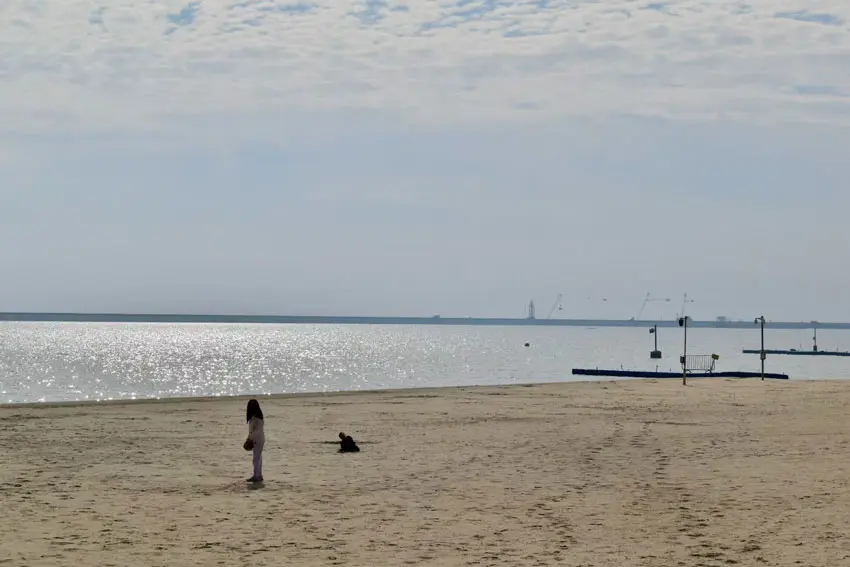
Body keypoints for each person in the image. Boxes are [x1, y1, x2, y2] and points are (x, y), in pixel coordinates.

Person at [245, 399, 265, 482]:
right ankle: (258, 475)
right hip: (260, 438)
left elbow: (255, 431)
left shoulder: (255, 418)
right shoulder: (259, 417)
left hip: (257, 439)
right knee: (258, 457)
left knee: (256, 458)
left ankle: (256, 476)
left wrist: (249, 438)